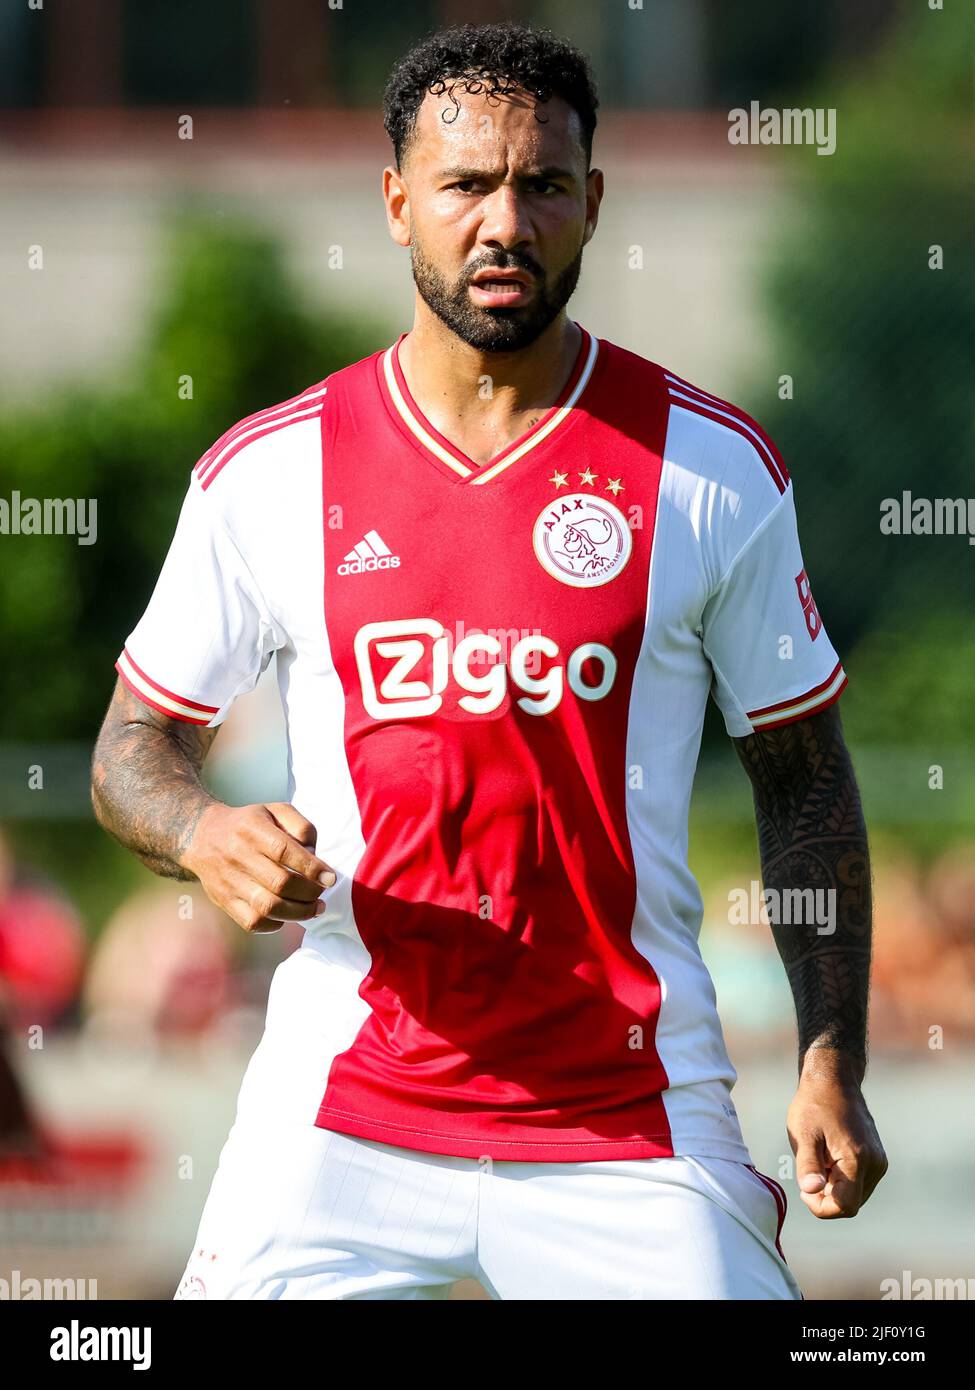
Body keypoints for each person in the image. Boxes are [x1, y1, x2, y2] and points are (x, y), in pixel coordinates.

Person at [91, 21, 886, 1300]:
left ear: (592, 203)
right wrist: (201, 834)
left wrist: (829, 1049)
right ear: (398, 202)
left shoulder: (712, 468)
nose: (504, 221)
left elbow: (804, 777)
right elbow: (133, 748)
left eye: (542, 184)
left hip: (631, 1115)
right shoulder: (268, 471)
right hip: (343, 1111)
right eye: (465, 185)